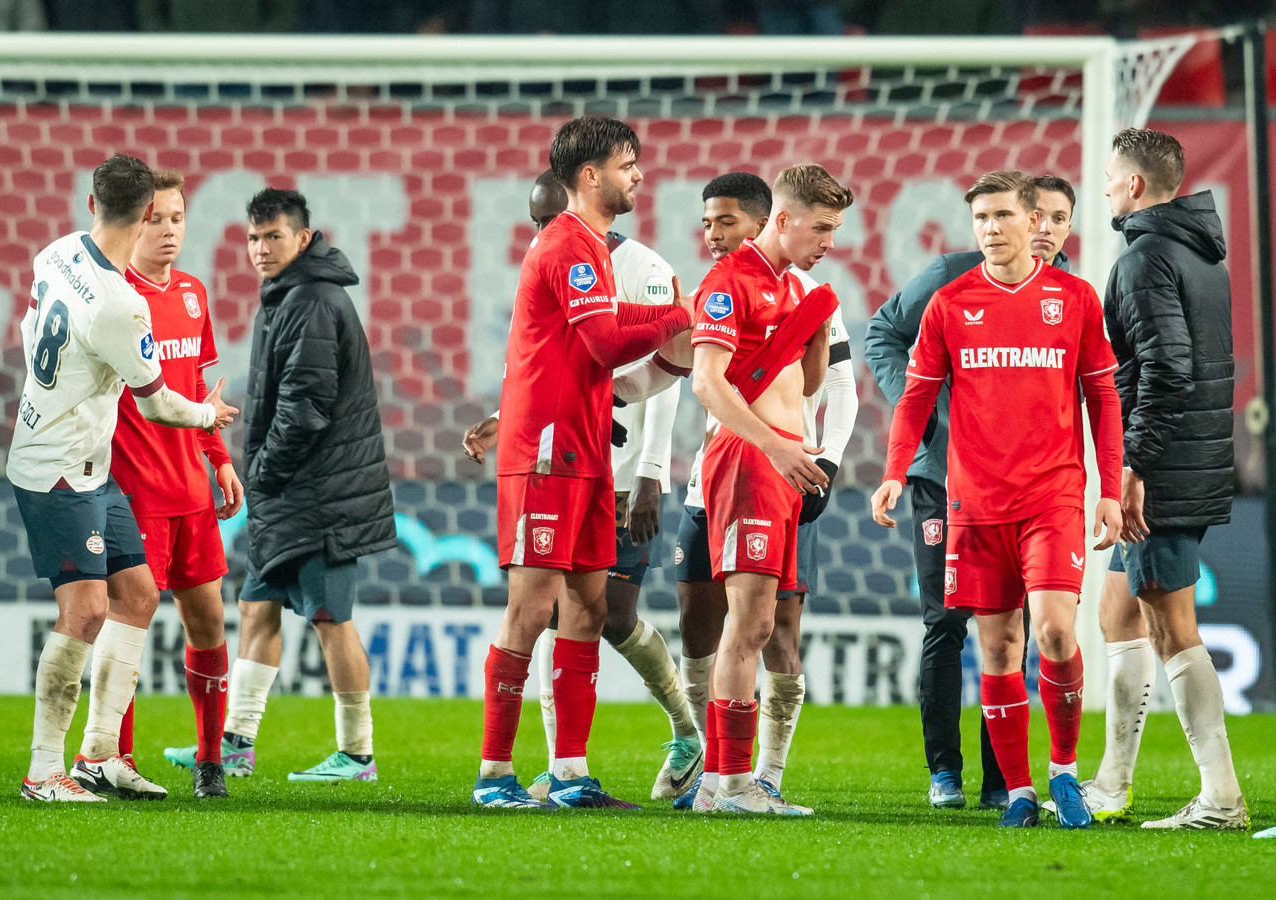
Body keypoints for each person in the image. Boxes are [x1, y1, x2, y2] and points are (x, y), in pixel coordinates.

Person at [872, 170, 1124, 829]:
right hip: (975, 504)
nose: (991, 228)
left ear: (1032, 220)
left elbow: (1103, 397)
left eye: (1003, 215)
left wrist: (1110, 489)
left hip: (1052, 498)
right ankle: (1016, 792)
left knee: (1056, 630)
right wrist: (896, 471)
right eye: (980, 217)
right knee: (999, 648)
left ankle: (1063, 771)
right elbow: (916, 397)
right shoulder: (949, 302)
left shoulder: (1074, 298)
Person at [473, 115, 694, 810]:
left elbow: (602, 352)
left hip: (587, 449)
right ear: (590, 175)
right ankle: (494, 774)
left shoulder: (592, 248)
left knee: (589, 607)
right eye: (628, 165)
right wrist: (677, 316)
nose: (639, 175)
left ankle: (570, 773)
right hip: (545, 451)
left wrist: (669, 351)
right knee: (531, 608)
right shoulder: (568, 242)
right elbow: (604, 342)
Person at [9, 153, 236, 801]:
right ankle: (43, 772)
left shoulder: (57, 253)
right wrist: (211, 415)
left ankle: (100, 754)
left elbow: (29, 327)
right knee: (85, 610)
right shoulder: (121, 305)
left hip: (88, 463)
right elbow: (159, 404)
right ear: (145, 214)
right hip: (58, 470)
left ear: (92, 204)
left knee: (136, 596)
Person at [672, 171, 857, 812]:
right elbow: (706, 382)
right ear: (781, 219)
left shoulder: (788, 287)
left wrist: (815, 335)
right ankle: (729, 783)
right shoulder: (732, 280)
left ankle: (722, 785)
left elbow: (804, 389)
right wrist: (776, 447)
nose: (830, 241)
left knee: (758, 626)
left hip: (780, 465)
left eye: (835, 229)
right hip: (750, 460)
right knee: (747, 625)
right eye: (822, 227)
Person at [1086, 127, 1246, 830]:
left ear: (1134, 185)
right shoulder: (1199, 251)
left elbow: (1168, 369)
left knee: (1171, 626)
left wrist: (1134, 466)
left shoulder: (1144, 257)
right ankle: (1112, 783)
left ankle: (1220, 798)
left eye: (1109, 178)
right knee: (1118, 613)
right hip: (1193, 458)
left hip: (1164, 473)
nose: (1104, 190)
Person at [211, 188, 399, 784]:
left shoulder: (312, 299)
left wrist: (262, 472)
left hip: (319, 494)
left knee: (329, 617)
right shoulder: (289, 295)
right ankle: (234, 745)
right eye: (253, 237)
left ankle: (358, 754)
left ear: (302, 238)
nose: (260, 248)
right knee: (255, 605)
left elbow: (306, 406)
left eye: (273, 236)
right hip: (294, 495)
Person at [98, 169, 242, 800]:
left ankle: (210, 761)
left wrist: (219, 459)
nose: (168, 231)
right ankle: (115, 756)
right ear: (135, 222)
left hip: (192, 493)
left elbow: (198, 391)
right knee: (129, 627)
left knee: (208, 623)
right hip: (135, 494)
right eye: (155, 219)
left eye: (177, 219)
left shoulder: (192, 293)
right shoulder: (112, 298)